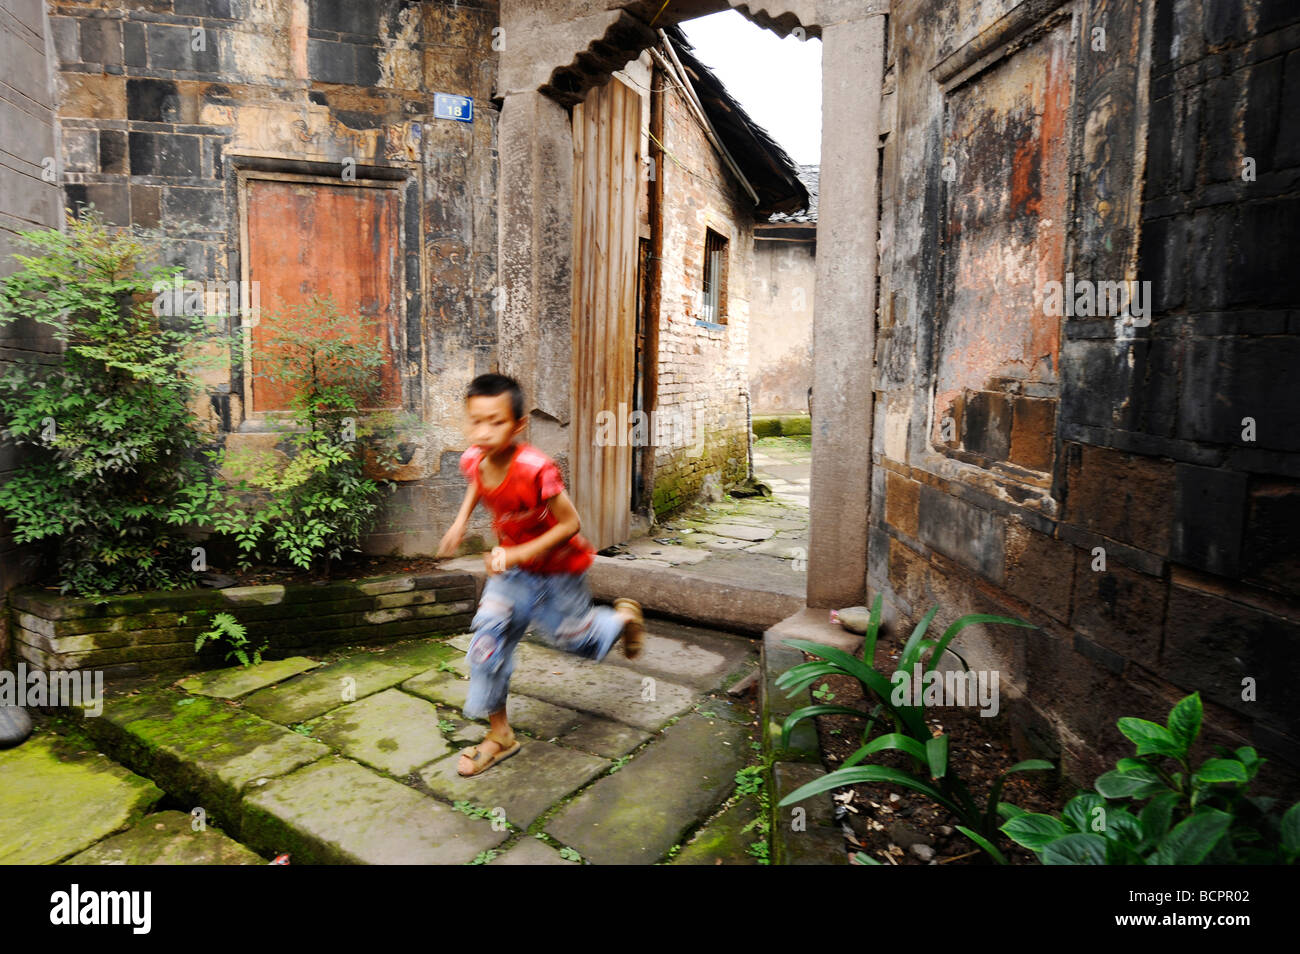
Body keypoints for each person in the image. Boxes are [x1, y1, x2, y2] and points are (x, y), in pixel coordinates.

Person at [436, 373, 644, 777]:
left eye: (495, 422)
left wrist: (516, 553)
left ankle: (621, 618)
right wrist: (460, 522)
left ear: (518, 426)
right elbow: (477, 483)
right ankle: (500, 736)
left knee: (576, 641)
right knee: (486, 640)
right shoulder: (473, 458)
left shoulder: (536, 469)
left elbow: (571, 523)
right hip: (511, 576)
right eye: (475, 421)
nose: (483, 431)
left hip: (557, 574)